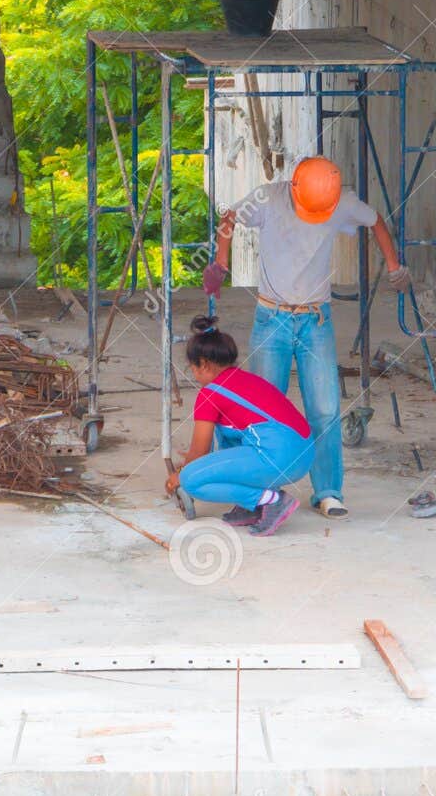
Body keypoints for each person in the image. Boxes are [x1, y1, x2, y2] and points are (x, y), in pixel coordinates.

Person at [204, 156, 410, 520]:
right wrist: (221, 262)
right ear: (294, 188)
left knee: (325, 409)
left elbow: (375, 220)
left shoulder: (339, 200)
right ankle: (262, 493)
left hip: (316, 321)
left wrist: (394, 265)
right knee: (260, 411)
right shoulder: (268, 198)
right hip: (272, 319)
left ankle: (328, 491)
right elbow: (230, 217)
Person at [165, 315, 315, 537]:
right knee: (227, 445)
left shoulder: (210, 394)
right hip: (303, 455)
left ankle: (271, 500)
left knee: (192, 480)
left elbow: (199, 451)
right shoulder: (246, 379)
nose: (195, 375)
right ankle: (251, 506)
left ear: (203, 364)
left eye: (193, 368)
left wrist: (180, 474)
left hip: (276, 457)